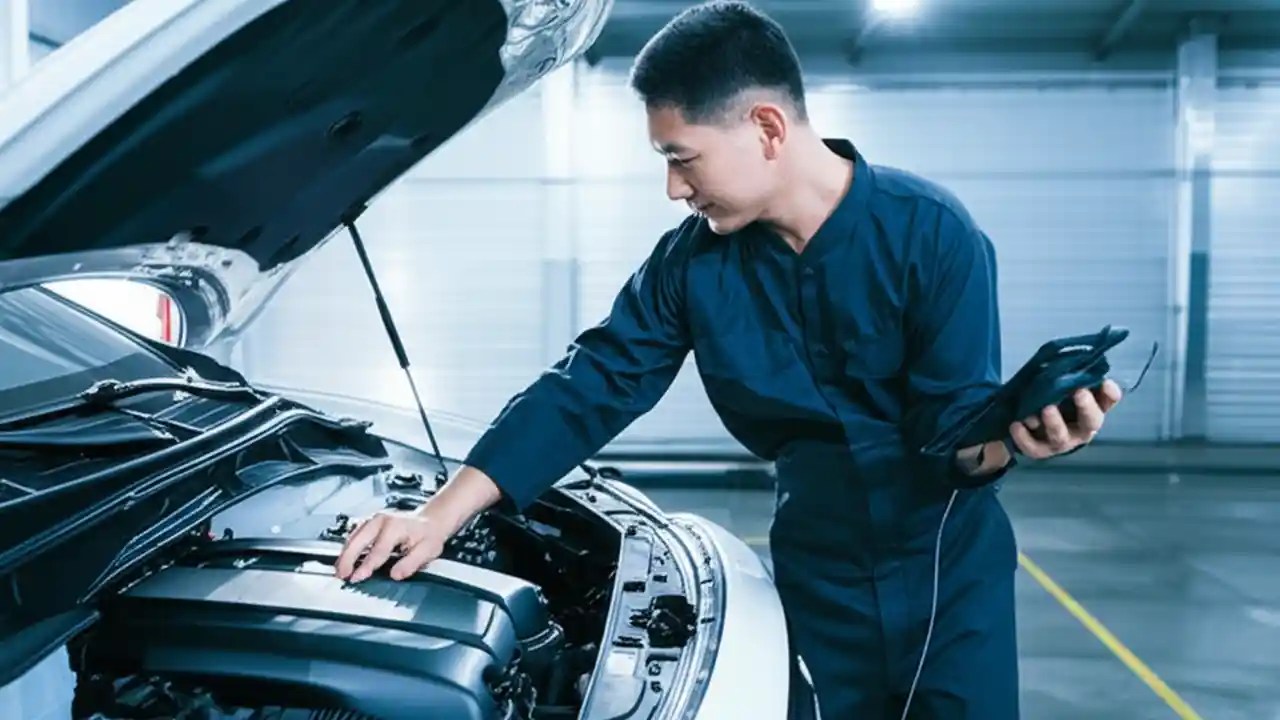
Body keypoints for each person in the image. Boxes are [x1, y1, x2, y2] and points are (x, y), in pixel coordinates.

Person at [335, 2, 1123, 717]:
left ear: (768, 130)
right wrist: (439, 514)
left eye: (684, 158)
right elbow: (592, 382)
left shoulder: (935, 236)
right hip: (816, 575)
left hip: (949, 580)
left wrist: (1019, 440)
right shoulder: (690, 265)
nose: (674, 189)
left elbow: (955, 428)